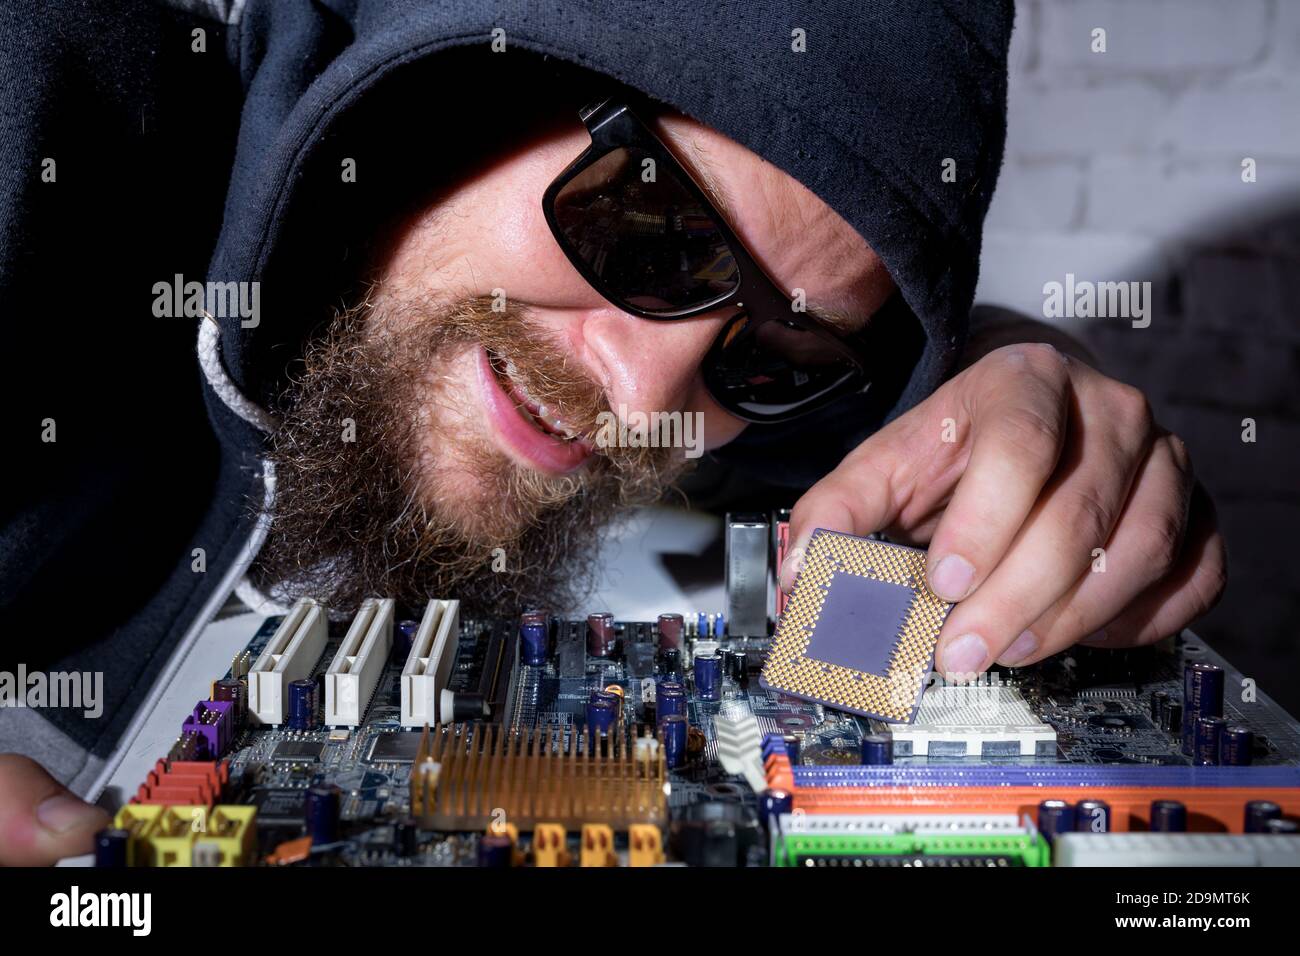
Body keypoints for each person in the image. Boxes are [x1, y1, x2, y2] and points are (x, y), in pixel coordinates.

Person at [0, 1, 1223, 865]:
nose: (645, 406)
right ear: (449, 69)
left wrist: (1025, 381)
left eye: (781, 354)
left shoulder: (676, 395)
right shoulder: (47, 117)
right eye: (651, 232)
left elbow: (875, 461)